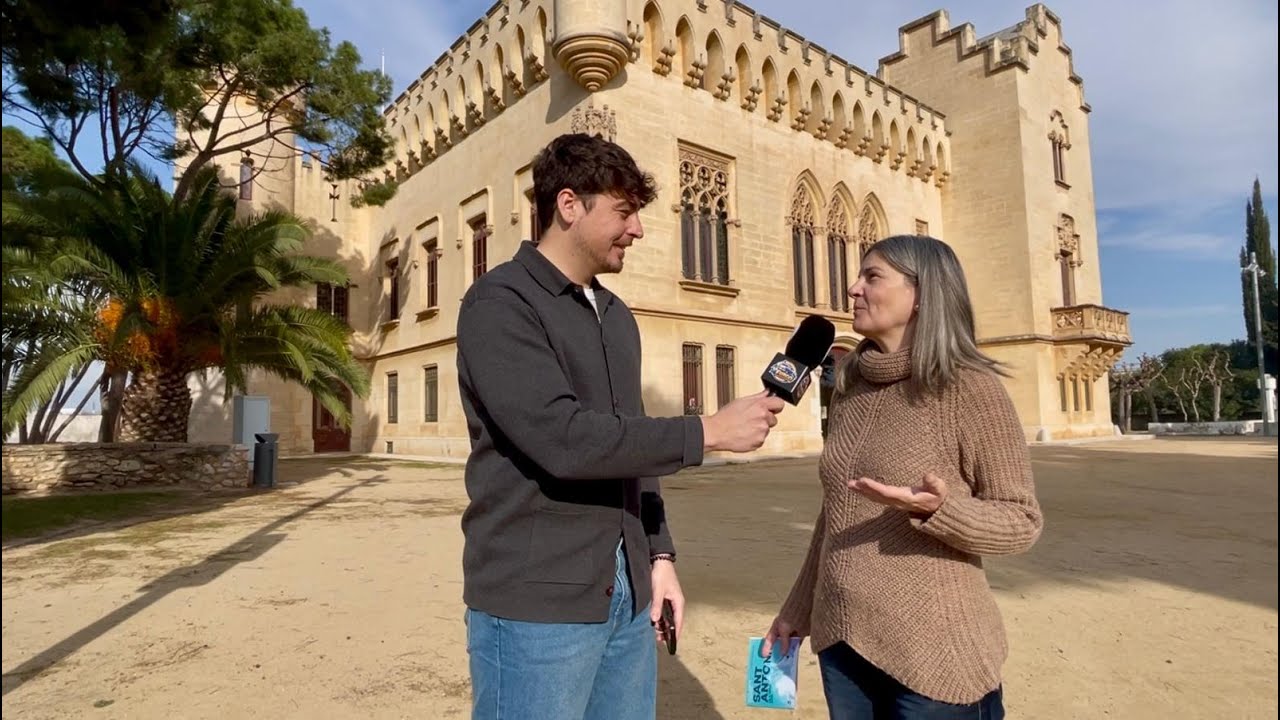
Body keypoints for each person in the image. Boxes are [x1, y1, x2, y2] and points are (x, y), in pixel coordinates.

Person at [456, 132, 785, 720]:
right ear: (568, 205)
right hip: (537, 606)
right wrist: (705, 431)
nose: (637, 230)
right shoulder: (499, 303)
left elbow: (631, 448)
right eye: (624, 212)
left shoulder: (616, 315)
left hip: (628, 596)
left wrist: (659, 559)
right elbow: (565, 441)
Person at [761, 234, 1044, 720]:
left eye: (872, 277)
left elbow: (1022, 520)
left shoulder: (970, 388)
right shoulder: (850, 387)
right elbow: (837, 514)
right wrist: (797, 608)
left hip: (933, 659)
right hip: (843, 643)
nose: (853, 288)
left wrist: (939, 509)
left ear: (922, 295)